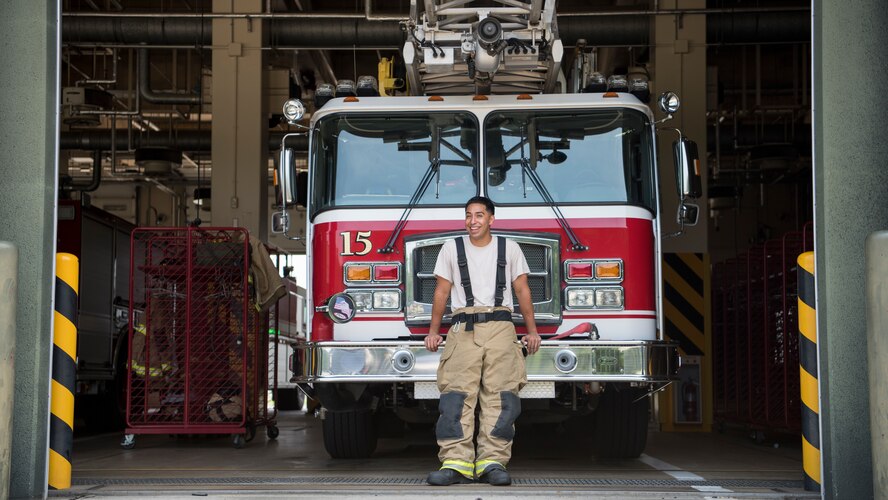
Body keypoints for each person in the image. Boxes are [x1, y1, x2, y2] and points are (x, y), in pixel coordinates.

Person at [424, 195, 541, 486]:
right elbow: (441, 292)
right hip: (462, 328)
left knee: (501, 398)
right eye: (468, 215)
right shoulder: (451, 248)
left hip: (501, 328)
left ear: (491, 219)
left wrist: (532, 331)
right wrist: (434, 331)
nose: (472, 221)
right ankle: (455, 463)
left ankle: (493, 462)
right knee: (455, 397)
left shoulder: (509, 248)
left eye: (478, 215)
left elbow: (522, 290)